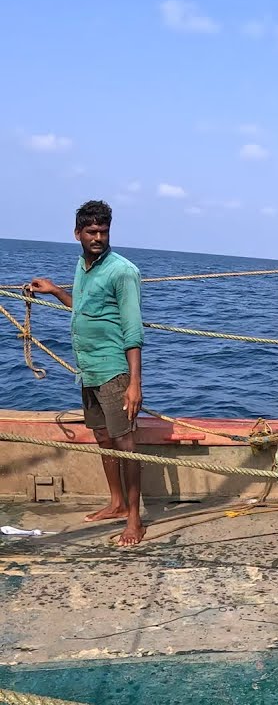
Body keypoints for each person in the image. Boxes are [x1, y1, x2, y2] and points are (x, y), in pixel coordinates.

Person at [27, 200, 146, 547]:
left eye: (103, 231)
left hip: (114, 371)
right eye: (91, 231)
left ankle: (135, 520)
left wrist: (134, 384)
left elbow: (133, 330)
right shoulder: (84, 265)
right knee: (103, 438)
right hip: (88, 370)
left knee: (126, 445)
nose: (98, 237)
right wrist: (55, 291)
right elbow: (84, 306)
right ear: (77, 233)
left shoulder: (123, 271)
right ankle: (116, 502)